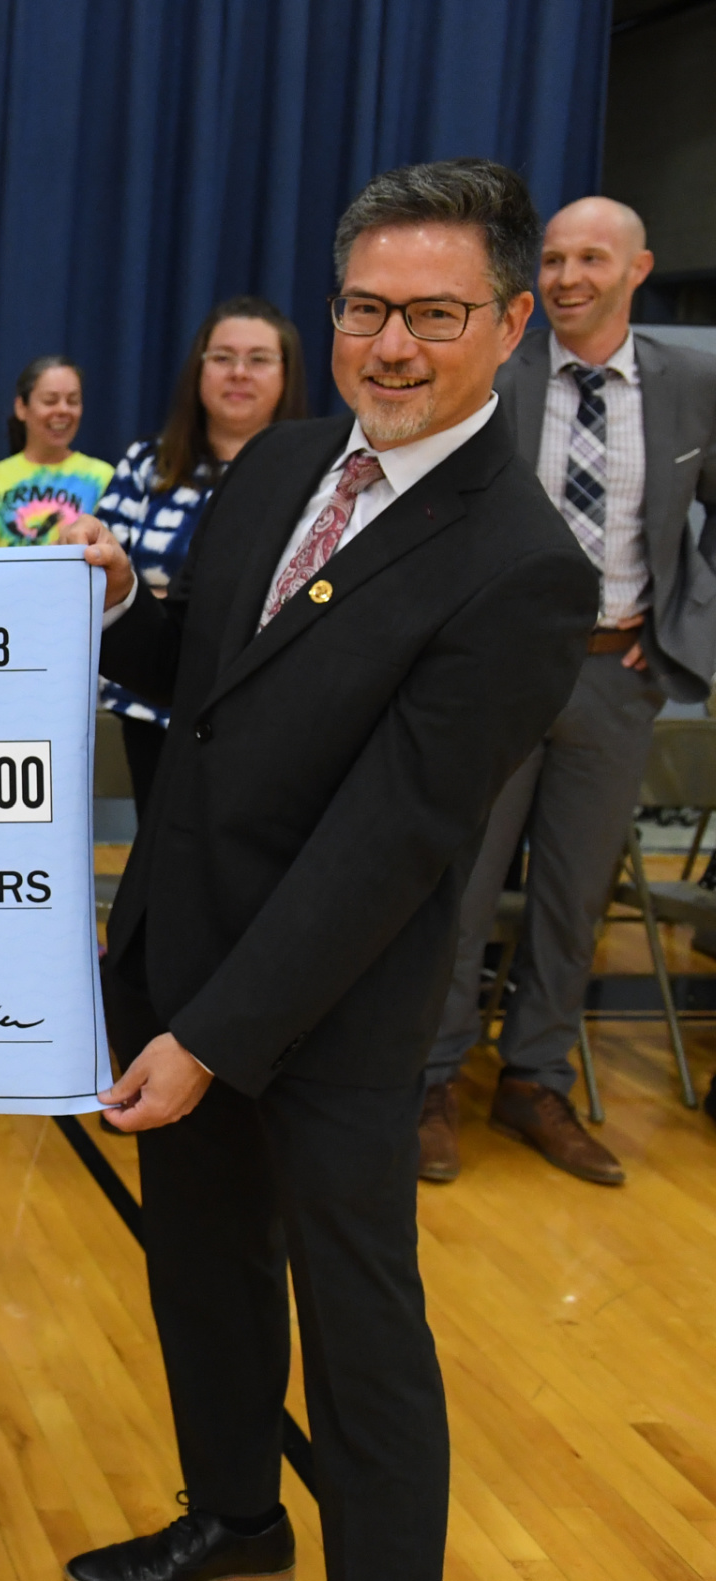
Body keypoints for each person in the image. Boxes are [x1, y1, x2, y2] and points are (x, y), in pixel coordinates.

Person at [59, 159, 596, 1581]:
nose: (393, 345)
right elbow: (213, 685)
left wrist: (217, 1039)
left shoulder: (521, 565)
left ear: (513, 321)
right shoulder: (288, 462)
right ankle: (238, 1520)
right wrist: (122, 605)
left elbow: (393, 839)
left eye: (435, 311)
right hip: (178, 967)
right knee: (205, 1279)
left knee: (361, 1337)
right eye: (366, 307)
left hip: (329, 1019)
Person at [419, 196, 716, 1186]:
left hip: (616, 676)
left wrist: (683, 636)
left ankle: (535, 1079)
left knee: (572, 898)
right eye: (552, 258)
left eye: (592, 257)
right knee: (459, 891)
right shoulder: (497, 372)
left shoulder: (690, 384)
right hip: (497, 676)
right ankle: (429, 1081)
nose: (567, 276)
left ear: (640, 268)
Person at [94, 299, 306, 800]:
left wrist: (159, 596)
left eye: (258, 359)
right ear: (198, 369)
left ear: (287, 374)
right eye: (222, 357)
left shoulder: (316, 477)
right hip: (149, 705)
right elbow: (105, 573)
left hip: (267, 711)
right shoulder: (146, 464)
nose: (238, 373)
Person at [0, 355, 114, 547]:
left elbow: (116, 561)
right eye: (50, 401)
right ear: (21, 407)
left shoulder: (103, 478)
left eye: (73, 401)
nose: (63, 410)